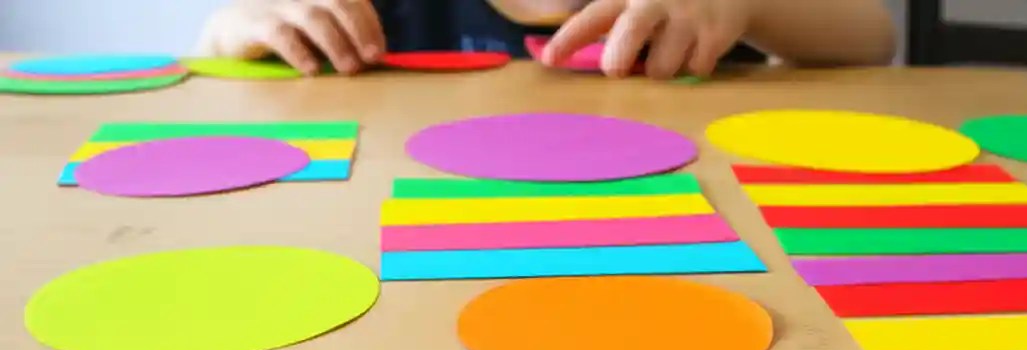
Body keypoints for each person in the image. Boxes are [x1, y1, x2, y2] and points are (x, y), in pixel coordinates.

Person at [196, 0, 896, 80]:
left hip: (678, 237)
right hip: (447, 239)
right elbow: (223, 40)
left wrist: (751, 5)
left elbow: (873, 35)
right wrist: (242, 20)